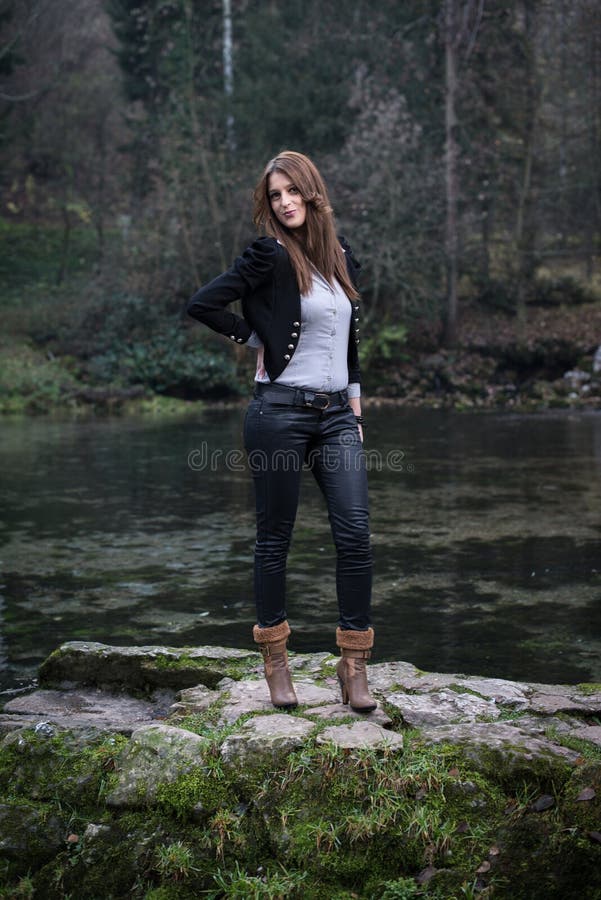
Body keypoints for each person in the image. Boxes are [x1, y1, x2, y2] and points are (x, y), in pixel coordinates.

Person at [187, 150, 375, 712]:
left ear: (313, 193)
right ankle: (275, 661)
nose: (286, 202)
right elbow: (203, 303)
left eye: (293, 191)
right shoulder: (268, 255)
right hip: (278, 414)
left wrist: (356, 413)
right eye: (275, 195)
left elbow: (349, 345)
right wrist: (255, 336)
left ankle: (353, 664)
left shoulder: (341, 256)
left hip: (337, 416)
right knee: (275, 538)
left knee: (355, 535)